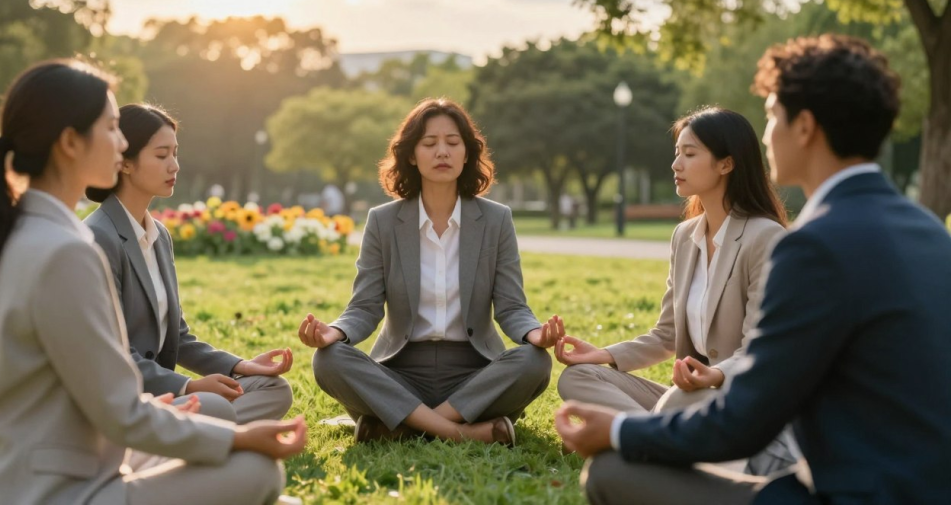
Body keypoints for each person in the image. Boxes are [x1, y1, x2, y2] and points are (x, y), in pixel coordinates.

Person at [557, 34, 951, 504]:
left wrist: (622, 431)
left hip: (848, 491)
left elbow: (743, 420)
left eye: (770, 116)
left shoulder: (811, 247)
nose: (765, 137)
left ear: (803, 127)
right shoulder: (930, 232)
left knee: (611, 473)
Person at [0, 60, 305, 505]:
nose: (120, 142)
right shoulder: (67, 251)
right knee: (256, 471)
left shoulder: (15, 231)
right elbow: (122, 413)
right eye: (113, 127)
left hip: (10, 472)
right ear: (71, 142)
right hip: (44, 490)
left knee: (221, 435)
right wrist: (238, 440)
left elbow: (87, 396)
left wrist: (182, 407)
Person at [299, 98, 560, 445]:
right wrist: (335, 332)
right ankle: (463, 433)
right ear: (411, 154)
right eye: (429, 143)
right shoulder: (382, 221)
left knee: (535, 362)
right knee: (328, 360)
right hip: (399, 372)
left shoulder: (497, 220)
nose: (442, 152)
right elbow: (364, 307)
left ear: (467, 154)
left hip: (474, 372)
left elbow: (512, 307)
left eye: (453, 143)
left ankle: (401, 425)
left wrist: (534, 335)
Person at [556, 107, 795, 474]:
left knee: (680, 399)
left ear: (726, 164)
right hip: (685, 401)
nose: (675, 164)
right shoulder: (685, 237)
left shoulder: (765, 238)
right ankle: (666, 442)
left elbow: (761, 349)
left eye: (690, 153)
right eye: (676, 152)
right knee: (579, 377)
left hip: (733, 401)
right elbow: (666, 334)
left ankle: (651, 440)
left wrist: (716, 375)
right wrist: (603, 354)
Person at [85, 103, 293, 424]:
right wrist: (188, 385)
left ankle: (196, 433)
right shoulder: (99, 238)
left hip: (168, 397)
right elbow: (110, 352)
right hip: (123, 397)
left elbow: (178, 338)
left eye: (175, 154)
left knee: (273, 387)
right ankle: (200, 433)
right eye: (161, 155)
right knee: (217, 407)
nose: (175, 166)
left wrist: (239, 366)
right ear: (125, 162)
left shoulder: (160, 236)